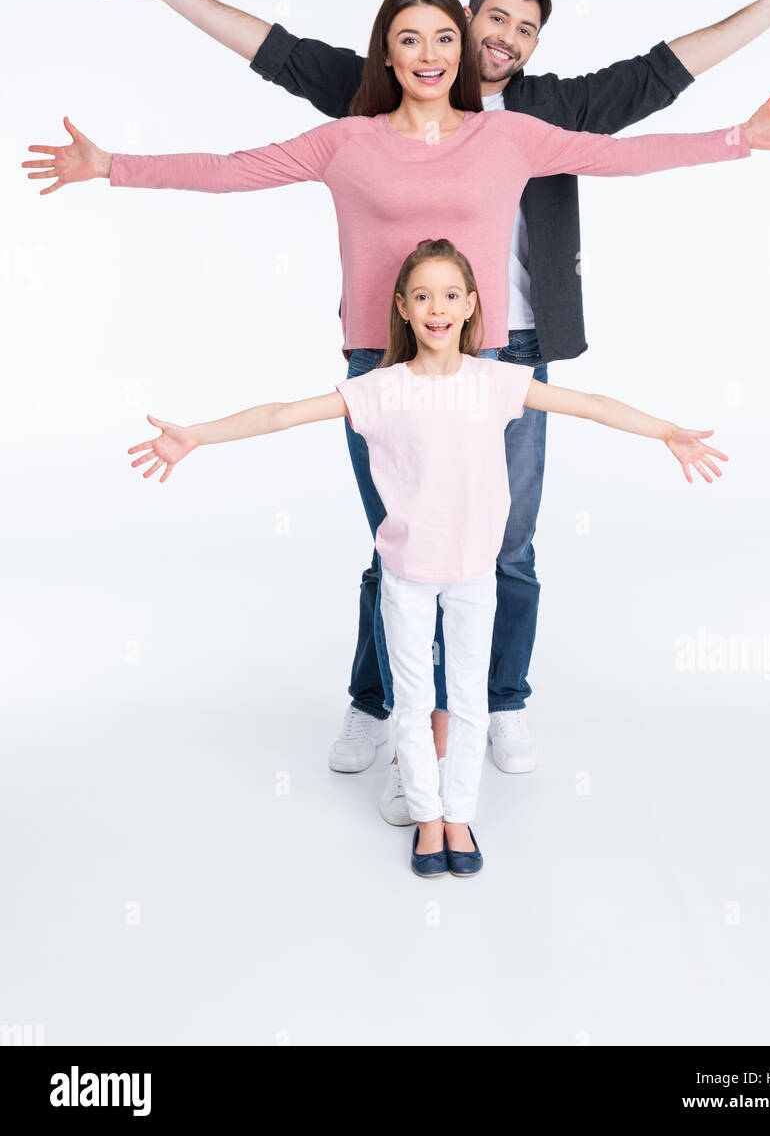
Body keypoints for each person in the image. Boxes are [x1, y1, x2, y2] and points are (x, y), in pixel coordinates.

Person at [23, 0, 770, 830]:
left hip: (491, 363)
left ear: (463, 46)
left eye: (444, 38)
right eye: (411, 40)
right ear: (387, 53)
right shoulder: (346, 141)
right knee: (402, 554)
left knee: (494, 549)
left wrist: (743, 138)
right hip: (383, 368)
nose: (432, 55)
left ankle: (479, 715)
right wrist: (109, 166)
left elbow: (619, 154)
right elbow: (229, 173)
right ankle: (393, 717)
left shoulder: (509, 133)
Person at [124, 238, 730, 878]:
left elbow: (591, 405)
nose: (436, 308)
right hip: (407, 576)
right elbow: (281, 414)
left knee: (468, 700)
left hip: (473, 571)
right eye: (422, 296)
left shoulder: (496, 381)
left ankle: (459, 812)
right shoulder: (379, 389)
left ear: (472, 306)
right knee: (413, 703)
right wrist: (196, 436)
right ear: (403, 309)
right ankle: (427, 816)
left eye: (449, 295)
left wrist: (667, 431)